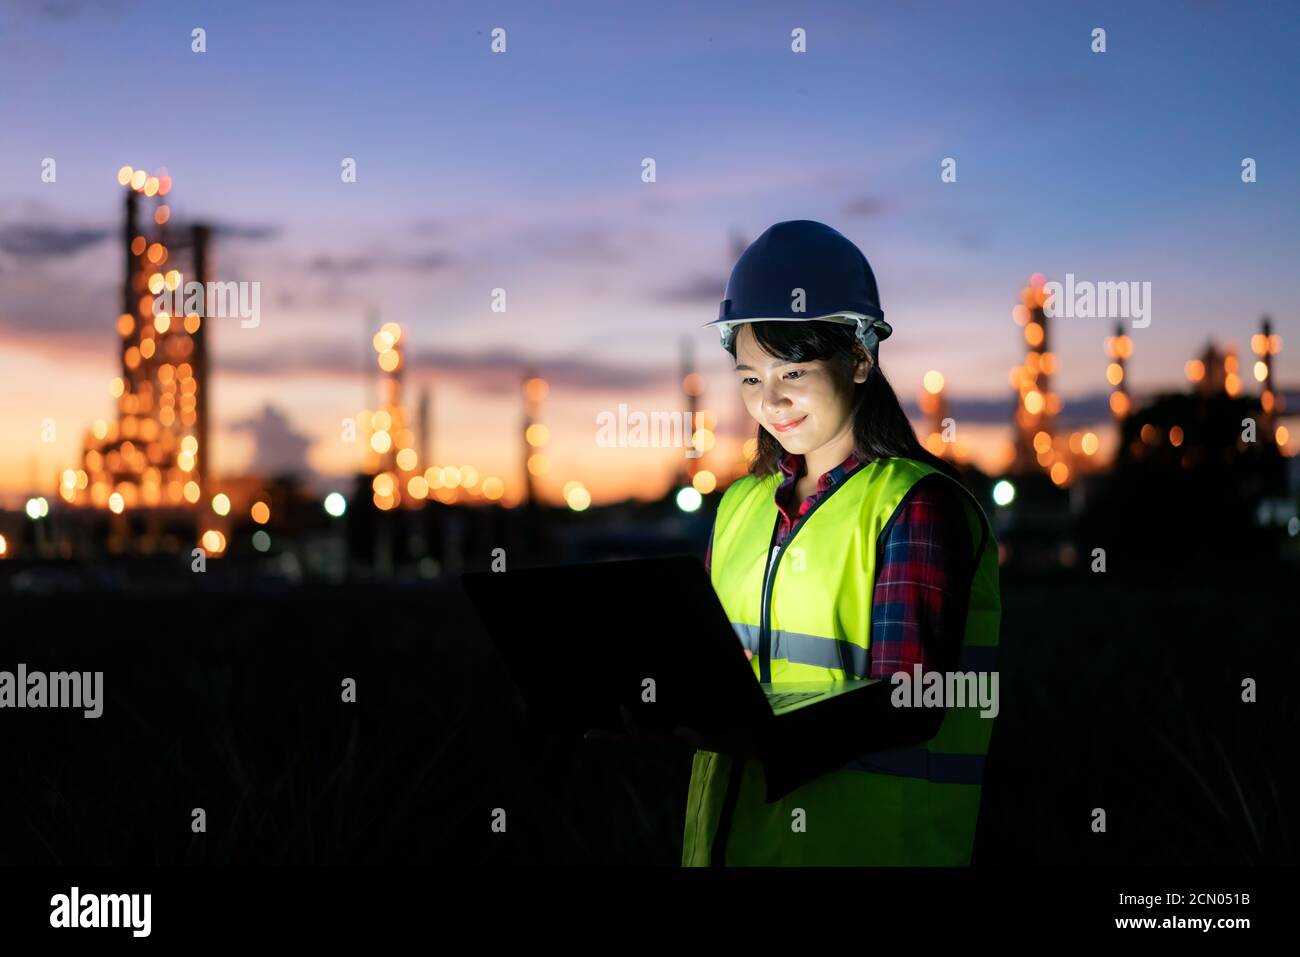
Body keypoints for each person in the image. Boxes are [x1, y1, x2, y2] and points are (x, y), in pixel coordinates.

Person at [590, 220, 1001, 866]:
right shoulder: (738, 508)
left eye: (793, 371)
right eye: (749, 378)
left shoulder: (914, 505)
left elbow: (911, 700)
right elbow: (711, 666)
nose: (770, 401)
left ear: (860, 358)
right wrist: (654, 698)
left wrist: (738, 727)